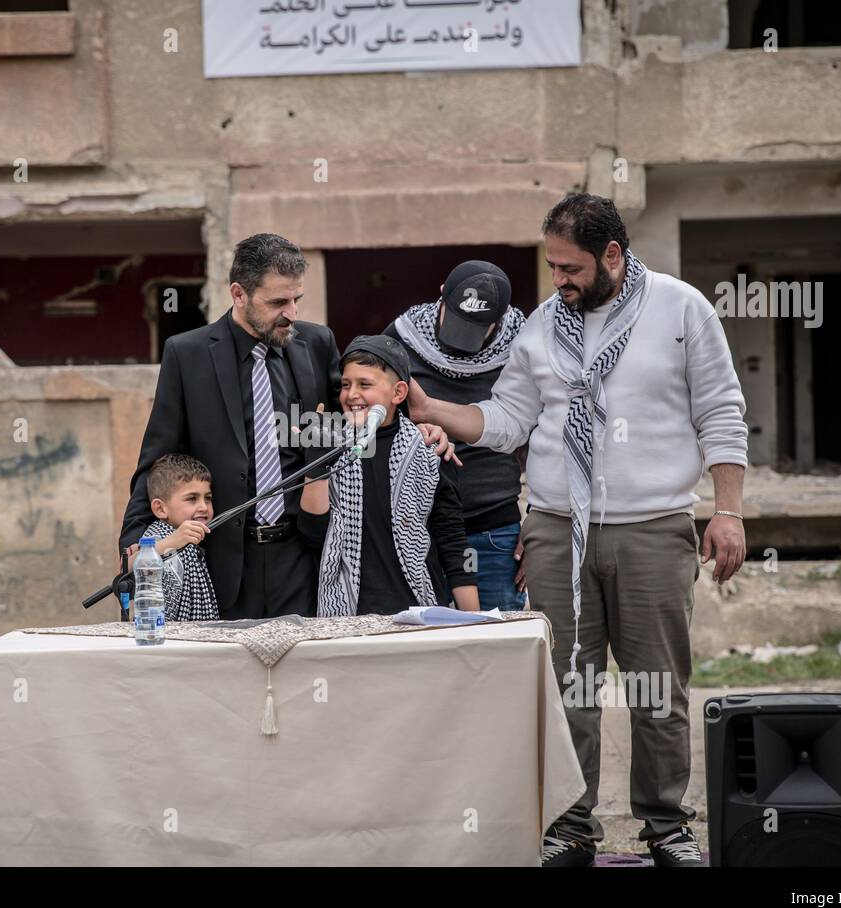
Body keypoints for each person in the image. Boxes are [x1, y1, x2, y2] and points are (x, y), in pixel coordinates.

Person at [407, 193, 749, 867]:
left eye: (570, 267)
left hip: (654, 527)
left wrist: (729, 510)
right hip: (559, 531)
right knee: (569, 690)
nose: (558, 279)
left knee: (658, 687)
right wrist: (433, 408)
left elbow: (721, 409)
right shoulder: (540, 327)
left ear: (613, 255)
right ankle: (570, 828)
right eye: (552, 266)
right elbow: (505, 422)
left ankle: (666, 827)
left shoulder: (682, 310)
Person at [119, 233, 456, 619]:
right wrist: (136, 550)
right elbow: (158, 457)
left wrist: (414, 432)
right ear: (239, 294)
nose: (291, 313)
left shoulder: (316, 343)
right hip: (223, 559)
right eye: (278, 302)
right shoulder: (188, 354)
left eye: (296, 299)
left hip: (304, 556)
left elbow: (355, 416)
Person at [386, 260, 530, 611]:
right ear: (441, 297)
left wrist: (541, 519)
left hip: (493, 529)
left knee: (495, 650)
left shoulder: (524, 346)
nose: (460, 341)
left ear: (500, 319)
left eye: (475, 329)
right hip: (417, 528)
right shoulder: (400, 339)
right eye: (455, 322)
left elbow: (545, 434)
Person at [299, 335, 479, 616]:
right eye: (345, 385)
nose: (351, 394)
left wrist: (474, 621)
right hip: (349, 616)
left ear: (398, 393)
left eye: (365, 384)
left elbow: (454, 540)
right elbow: (313, 535)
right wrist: (316, 465)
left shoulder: (430, 451)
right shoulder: (329, 446)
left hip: (420, 610)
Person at [134, 453, 218, 622]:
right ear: (160, 509)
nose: (203, 507)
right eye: (192, 499)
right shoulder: (158, 537)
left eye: (208, 499)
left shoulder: (192, 545)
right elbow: (131, 566)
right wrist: (173, 542)